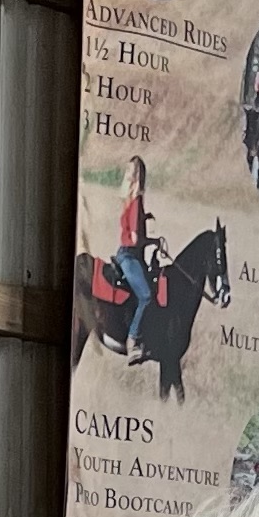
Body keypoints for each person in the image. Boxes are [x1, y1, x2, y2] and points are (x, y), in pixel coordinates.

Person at [114, 156, 157, 364]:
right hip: (129, 255)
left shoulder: (127, 200)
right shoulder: (137, 201)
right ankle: (132, 341)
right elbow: (135, 239)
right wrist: (153, 241)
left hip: (124, 253)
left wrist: (143, 219)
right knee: (147, 296)